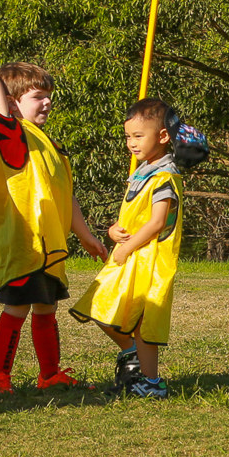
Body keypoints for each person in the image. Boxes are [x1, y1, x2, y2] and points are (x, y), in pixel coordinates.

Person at [0, 62, 108, 394]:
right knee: (17, 308)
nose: (47, 103)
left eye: (49, 96)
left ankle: (50, 374)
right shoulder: (12, 135)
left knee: (47, 308)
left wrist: (86, 236)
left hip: (50, 247)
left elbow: (66, 197)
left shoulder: (47, 144)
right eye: (38, 96)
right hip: (26, 245)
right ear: (11, 104)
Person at [70, 98, 185, 399]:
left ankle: (150, 381)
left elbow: (157, 222)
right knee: (99, 304)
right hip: (131, 255)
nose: (131, 144)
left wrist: (127, 247)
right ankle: (131, 356)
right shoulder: (143, 171)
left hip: (149, 260)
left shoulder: (164, 176)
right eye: (128, 137)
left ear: (162, 136)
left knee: (144, 322)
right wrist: (113, 231)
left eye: (138, 136)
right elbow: (134, 216)